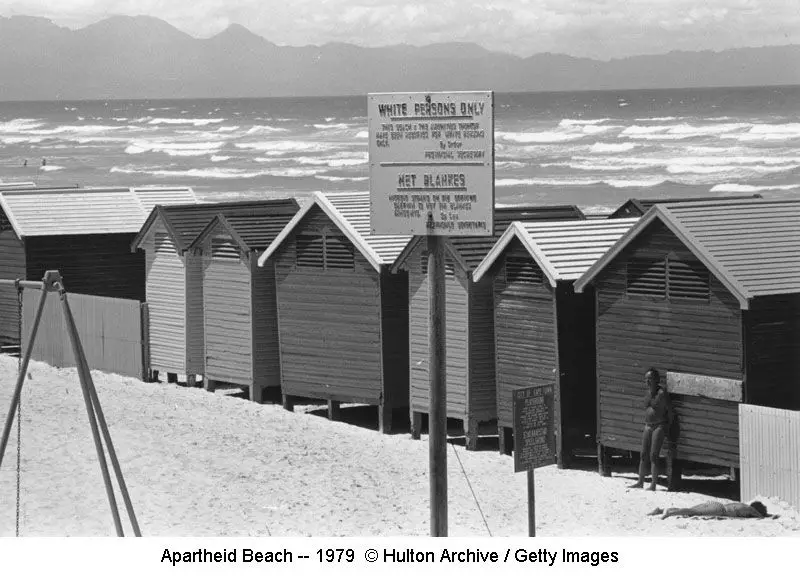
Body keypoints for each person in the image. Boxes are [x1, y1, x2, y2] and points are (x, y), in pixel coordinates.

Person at [629, 367, 673, 491]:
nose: (647, 382)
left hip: (659, 425)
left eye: (650, 379)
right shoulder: (648, 393)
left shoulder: (662, 393)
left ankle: (653, 484)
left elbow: (670, 412)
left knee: (654, 455)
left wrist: (667, 427)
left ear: (656, 380)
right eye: (646, 379)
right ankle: (640, 481)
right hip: (648, 425)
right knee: (643, 454)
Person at [648, 500, 769, 520]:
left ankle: (660, 510)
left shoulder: (741, 505)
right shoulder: (750, 509)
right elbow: (760, 517)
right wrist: (768, 515)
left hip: (717, 505)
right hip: (720, 510)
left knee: (691, 509)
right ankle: (670, 513)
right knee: (692, 512)